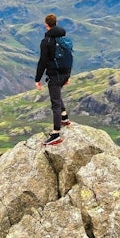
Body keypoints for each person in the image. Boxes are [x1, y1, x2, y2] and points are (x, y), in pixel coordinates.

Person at [35, 13, 71, 145]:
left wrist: (37, 79)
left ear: (46, 25)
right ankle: (65, 118)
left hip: (54, 75)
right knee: (57, 95)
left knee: (55, 103)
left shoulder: (47, 42)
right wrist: (68, 76)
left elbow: (42, 61)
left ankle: (56, 134)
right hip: (65, 73)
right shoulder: (63, 38)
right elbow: (69, 56)